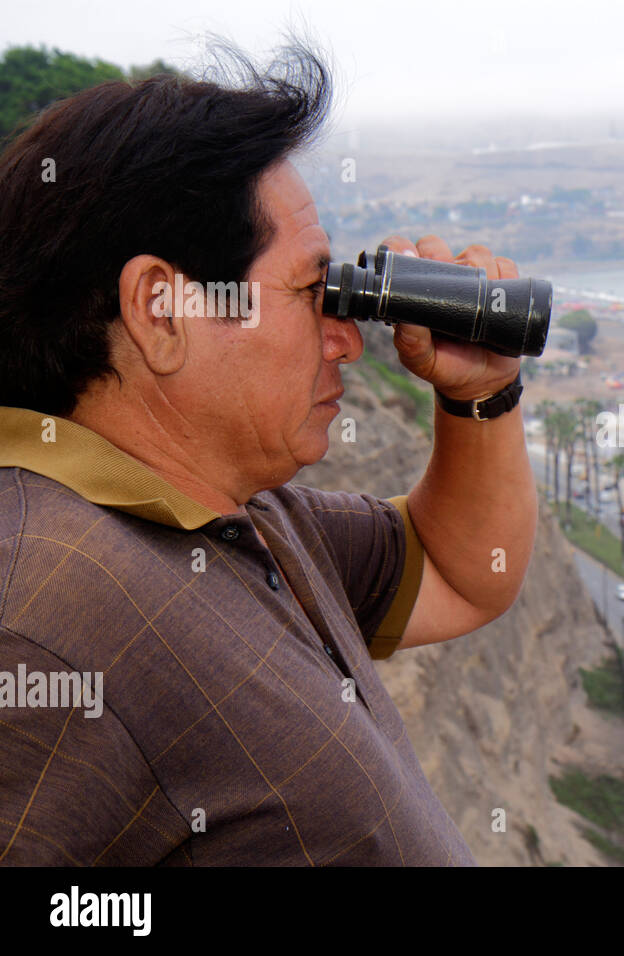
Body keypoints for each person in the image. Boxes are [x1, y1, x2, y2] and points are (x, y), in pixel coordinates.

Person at [0, 43, 536, 865]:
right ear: (162, 309)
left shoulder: (243, 520)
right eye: (308, 293)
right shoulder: (41, 613)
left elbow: (464, 573)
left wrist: (479, 393)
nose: (347, 341)